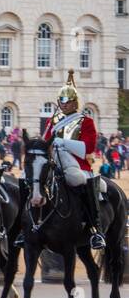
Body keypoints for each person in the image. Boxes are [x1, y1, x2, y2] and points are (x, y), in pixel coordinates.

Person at [40, 70, 105, 251]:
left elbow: (87, 149)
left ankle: (95, 229)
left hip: (78, 164)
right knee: (31, 180)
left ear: (76, 102)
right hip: (55, 163)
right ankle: (26, 227)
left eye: (68, 101)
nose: (64, 104)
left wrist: (62, 142)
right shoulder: (54, 121)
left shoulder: (86, 121)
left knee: (83, 183)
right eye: (62, 101)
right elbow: (44, 143)